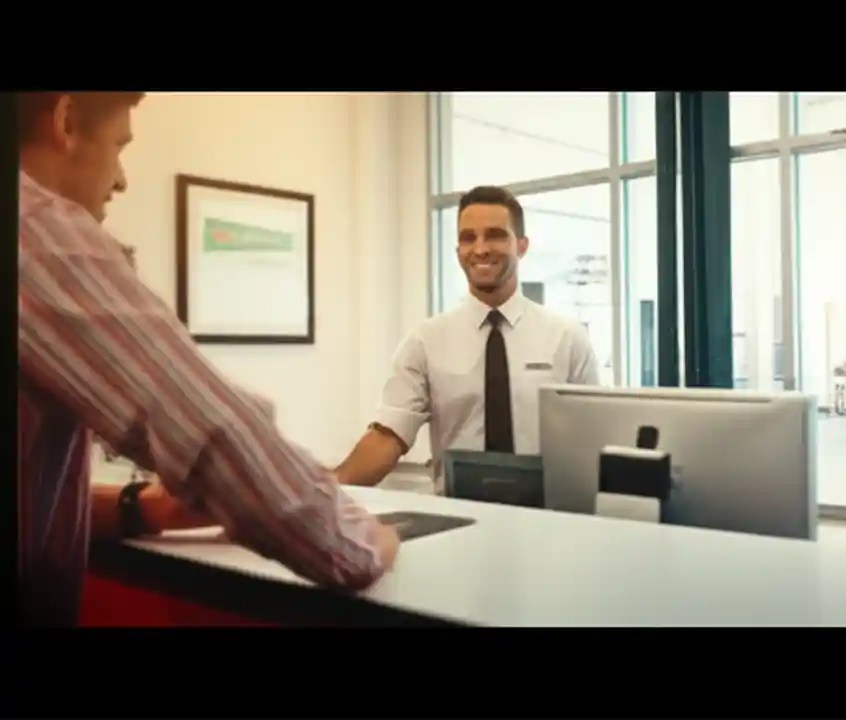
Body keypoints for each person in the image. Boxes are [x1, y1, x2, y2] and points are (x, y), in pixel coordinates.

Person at [17, 91, 400, 626]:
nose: (122, 179)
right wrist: (368, 542)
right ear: (67, 120)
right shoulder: (35, 231)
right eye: (119, 146)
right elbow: (219, 437)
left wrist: (139, 507)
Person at [335, 185, 600, 492]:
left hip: (549, 518)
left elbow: (590, 440)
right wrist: (322, 497)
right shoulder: (425, 341)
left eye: (495, 235)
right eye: (468, 238)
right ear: (458, 250)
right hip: (459, 519)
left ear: (522, 246)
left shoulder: (567, 338)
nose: (480, 248)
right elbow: (388, 435)